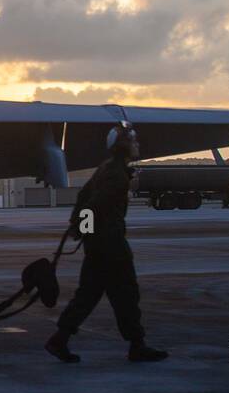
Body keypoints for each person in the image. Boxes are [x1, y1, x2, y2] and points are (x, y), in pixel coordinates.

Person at [46, 123, 168, 363]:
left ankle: (59, 340)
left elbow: (84, 198)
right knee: (126, 294)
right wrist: (84, 228)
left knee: (88, 296)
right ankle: (137, 345)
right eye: (134, 142)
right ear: (124, 146)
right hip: (111, 246)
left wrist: (81, 229)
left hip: (98, 246)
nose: (137, 146)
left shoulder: (107, 169)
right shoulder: (117, 176)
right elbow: (94, 205)